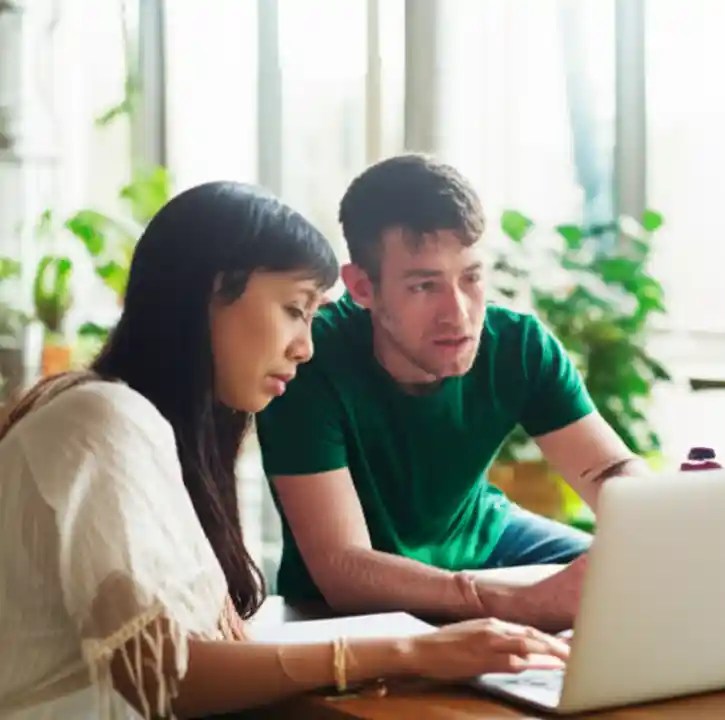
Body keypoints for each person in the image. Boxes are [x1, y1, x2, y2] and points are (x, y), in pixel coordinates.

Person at [0, 182, 568, 718]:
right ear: (212, 292)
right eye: (295, 309)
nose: (306, 347)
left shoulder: (144, 429)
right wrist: (413, 650)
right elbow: (159, 677)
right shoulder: (100, 423)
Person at [255, 154, 651, 631]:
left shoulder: (519, 347)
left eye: (472, 278)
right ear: (362, 287)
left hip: (487, 541)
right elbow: (343, 568)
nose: (458, 314)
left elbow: (607, 468)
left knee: (632, 585)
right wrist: (509, 602)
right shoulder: (308, 360)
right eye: (425, 286)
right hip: (354, 596)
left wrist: (653, 512)